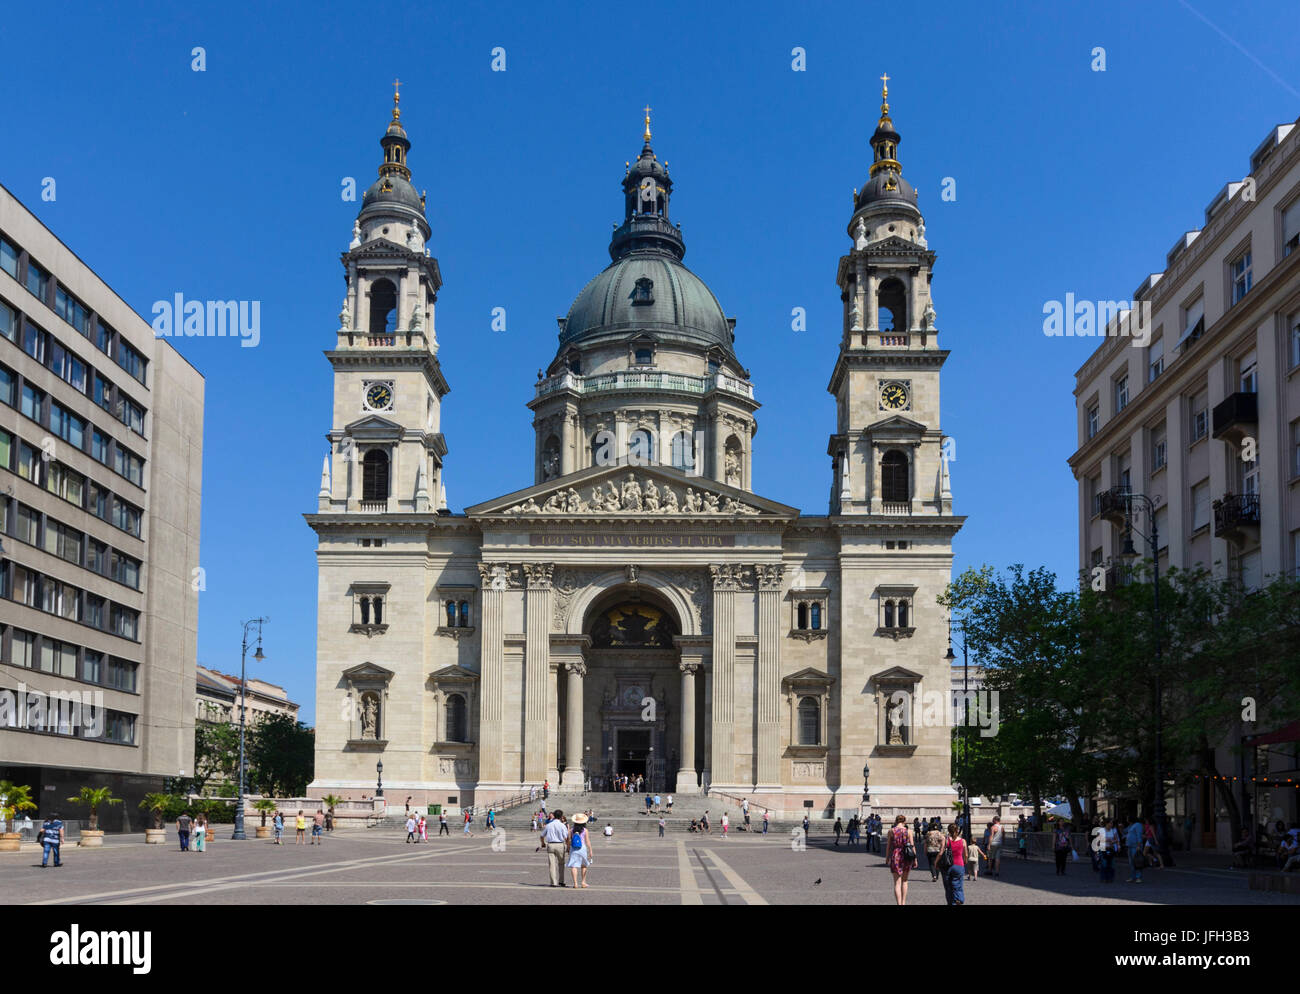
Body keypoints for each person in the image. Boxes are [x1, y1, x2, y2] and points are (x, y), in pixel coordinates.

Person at [885, 814, 917, 906]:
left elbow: (888, 847)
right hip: (907, 855)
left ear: (896, 821)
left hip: (896, 855)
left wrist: (887, 858)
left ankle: (899, 903)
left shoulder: (891, 831)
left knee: (897, 882)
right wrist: (915, 859)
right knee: (905, 881)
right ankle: (903, 902)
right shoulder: (909, 831)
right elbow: (912, 845)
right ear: (904, 822)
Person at [540, 809, 569, 887]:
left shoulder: (549, 825)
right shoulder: (562, 825)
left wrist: (543, 843)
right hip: (560, 845)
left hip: (551, 845)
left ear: (554, 815)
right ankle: (561, 881)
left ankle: (553, 882)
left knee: (552, 865)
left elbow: (542, 835)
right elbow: (566, 837)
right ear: (561, 816)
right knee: (561, 864)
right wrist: (568, 846)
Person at [939, 823, 966, 905]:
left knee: (948, 886)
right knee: (958, 884)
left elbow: (941, 853)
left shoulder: (946, 839)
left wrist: (936, 862)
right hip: (959, 865)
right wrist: (965, 862)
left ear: (948, 831)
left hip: (947, 865)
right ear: (957, 830)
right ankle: (959, 899)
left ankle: (951, 903)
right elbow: (966, 854)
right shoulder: (963, 841)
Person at [568, 813, 593, 888]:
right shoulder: (585, 830)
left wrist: (568, 848)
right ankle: (583, 882)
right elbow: (587, 841)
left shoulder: (571, 830)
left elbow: (569, 840)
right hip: (582, 848)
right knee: (584, 865)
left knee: (573, 865)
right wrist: (590, 850)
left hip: (574, 848)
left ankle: (575, 883)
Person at [1126, 817, 1147, 882]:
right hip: (1130, 846)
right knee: (1131, 862)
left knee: (1137, 862)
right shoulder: (1131, 826)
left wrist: (1138, 845)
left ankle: (1138, 877)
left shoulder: (1138, 825)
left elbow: (1139, 835)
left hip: (1135, 846)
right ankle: (1133, 877)